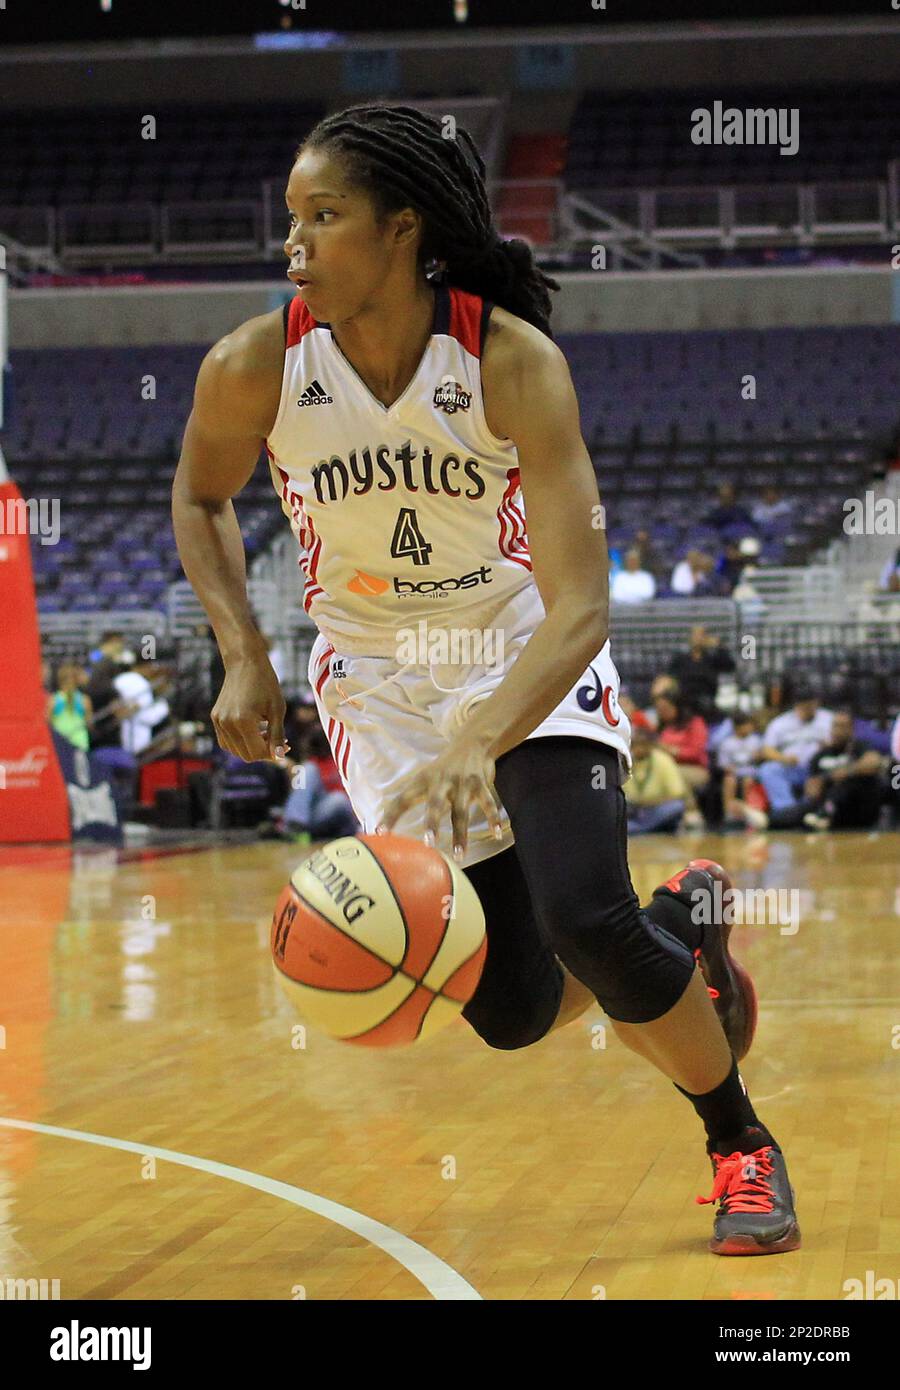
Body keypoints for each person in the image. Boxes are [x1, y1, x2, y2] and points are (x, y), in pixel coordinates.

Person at [171, 102, 798, 1255]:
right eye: (291, 219)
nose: (294, 245)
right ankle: (685, 924)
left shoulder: (508, 360)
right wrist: (244, 651)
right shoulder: (254, 363)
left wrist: (485, 738)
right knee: (510, 1007)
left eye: (325, 217)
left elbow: (581, 608)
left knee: (587, 920)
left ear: (403, 229)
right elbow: (199, 498)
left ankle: (740, 1144)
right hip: (377, 684)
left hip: (523, 652)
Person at [755, 683, 833, 821]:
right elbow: (766, 749)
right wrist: (783, 758)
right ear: (796, 705)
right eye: (803, 706)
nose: (807, 709)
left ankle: (812, 812)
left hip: (818, 768)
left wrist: (828, 747)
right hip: (792, 767)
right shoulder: (781, 722)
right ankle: (786, 810)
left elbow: (841, 741)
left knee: (829, 767)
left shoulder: (828, 719)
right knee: (768, 770)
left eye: (810, 705)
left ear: (816, 703)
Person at [802, 709, 885, 831]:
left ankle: (825, 813)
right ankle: (768, 819)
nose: (838, 730)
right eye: (835, 725)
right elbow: (812, 786)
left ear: (851, 729)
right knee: (795, 813)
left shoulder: (860, 746)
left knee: (847, 784)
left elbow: (874, 762)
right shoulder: (820, 755)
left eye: (842, 726)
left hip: (858, 810)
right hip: (825, 804)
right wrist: (814, 788)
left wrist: (847, 772)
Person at [623, 727, 688, 834]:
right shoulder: (626, 761)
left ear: (651, 745)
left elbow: (677, 793)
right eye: (635, 745)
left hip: (655, 808)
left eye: (643, 744)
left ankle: (638, 828)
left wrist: (650, 802)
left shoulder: (663, 760)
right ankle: (647, 828)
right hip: (633, 809)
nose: (639, 748)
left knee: (676, 806)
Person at [666, 625, 735, 723]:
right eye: (696, 635)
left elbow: (730, 666)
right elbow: (669, 677)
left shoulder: (712, 659)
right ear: (690, 638)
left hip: (707, 705)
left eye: (702, 635)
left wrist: (719, 647)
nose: (698, 638)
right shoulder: (680, 659)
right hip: (685, 707)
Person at [716, 712, 765, 827]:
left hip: (751, 772)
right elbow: (723, 764)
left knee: (748, 781)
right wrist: (730, 769)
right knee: (729, 781)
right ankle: (729, 814)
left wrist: (759, 756)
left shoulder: (756, 740)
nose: (749, 728)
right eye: (746, 725)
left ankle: (749, 814)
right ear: (737, 727)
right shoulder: (727, 743)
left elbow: (762, 758)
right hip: (734, 772)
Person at [47, 663, 93, 751]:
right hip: (79, 741)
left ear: (59, 680)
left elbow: (48, 723)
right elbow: (89, 724)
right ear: (76, 680)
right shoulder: (84, 700)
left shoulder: (53, 700)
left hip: (60, 741)